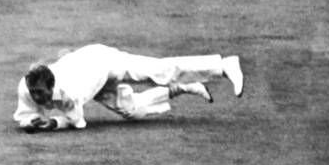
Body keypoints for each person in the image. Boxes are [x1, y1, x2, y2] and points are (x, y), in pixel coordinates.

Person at [16, 44, 244, 131]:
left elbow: (78, 123)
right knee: (133, 111)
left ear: (52, 86)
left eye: (41, 93)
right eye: (33, 92)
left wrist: (53, 123)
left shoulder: (71, 93)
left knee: (160, 71)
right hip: (92, 78)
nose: (36, 97)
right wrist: (31, 122)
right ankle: (185, 87)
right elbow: (25, 117)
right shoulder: (26, 87)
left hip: (104, 61)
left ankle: (223, 65)